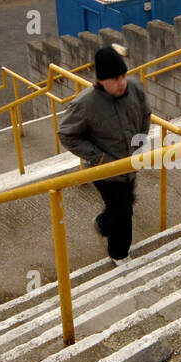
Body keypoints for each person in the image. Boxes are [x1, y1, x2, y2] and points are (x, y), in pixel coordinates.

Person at [58, 45, 152, 264]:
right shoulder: (85, 104)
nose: (121, 83)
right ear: (101, 81)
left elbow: (146, 113)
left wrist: (140, 142)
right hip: (105, 170)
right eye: (114, 79)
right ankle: (119, 255)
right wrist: (98, 157)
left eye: (123, 76)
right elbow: (66, 134)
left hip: (130, 163)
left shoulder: (135, 88)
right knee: (123, 212)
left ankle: (102, 222)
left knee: (128, 200)